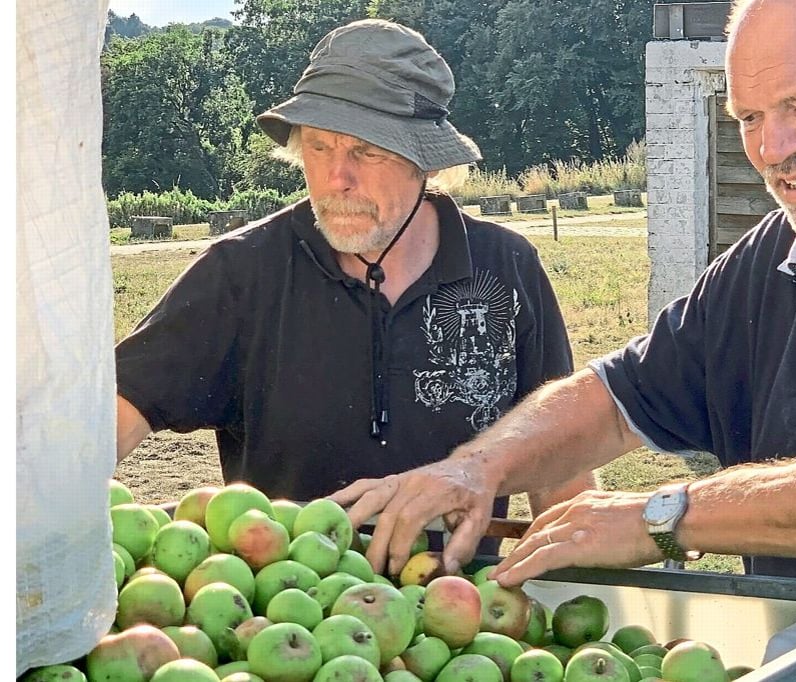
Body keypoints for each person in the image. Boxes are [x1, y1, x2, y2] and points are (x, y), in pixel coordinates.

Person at [334, 1, 796, 678]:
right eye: (749, 117)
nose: (773, 149)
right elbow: (617, 398)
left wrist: (665, 515)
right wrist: (478, 468)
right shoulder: (779, 255)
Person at [114, 19, 595, 547]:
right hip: (285, 594)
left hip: (459, 594)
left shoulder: (505, 267)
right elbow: (113, 417)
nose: (336, 178)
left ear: (425, 162)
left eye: (367, 151)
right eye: (319, 147)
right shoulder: (240, 272)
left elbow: (560, 467)